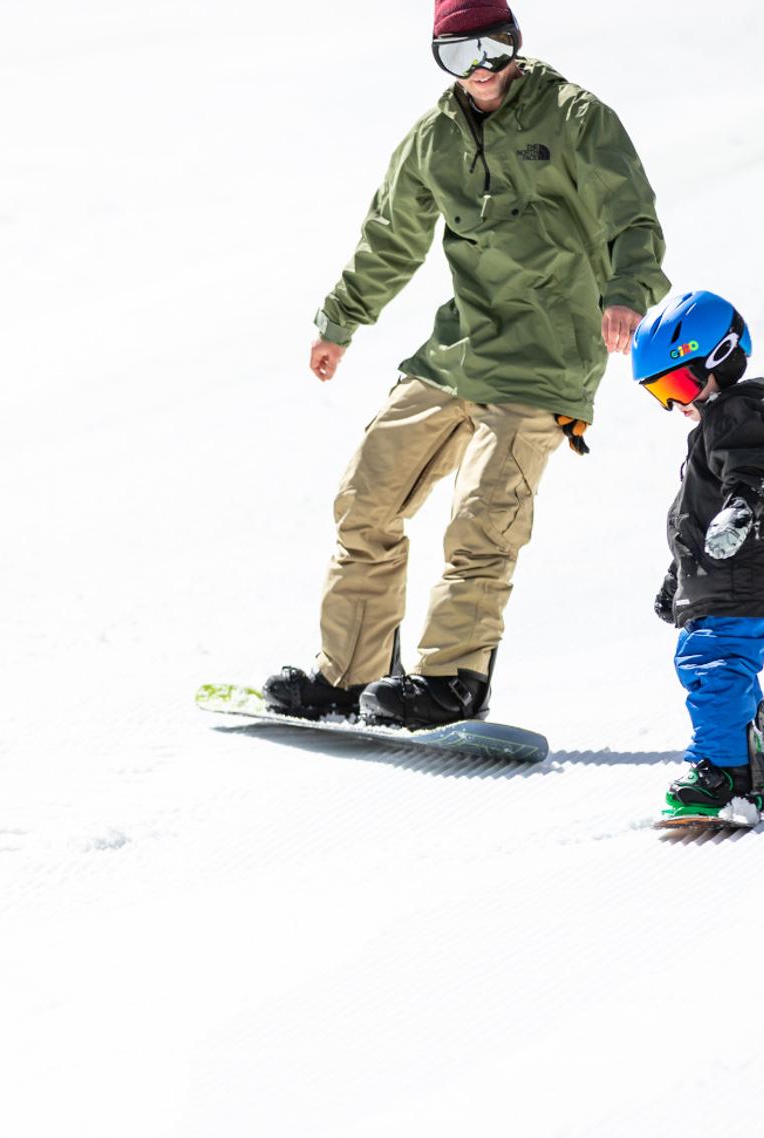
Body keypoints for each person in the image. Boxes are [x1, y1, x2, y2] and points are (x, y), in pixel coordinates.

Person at [261, 0, 669, 729]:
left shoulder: (576, 117)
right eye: (459, 55)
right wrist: (340, 321)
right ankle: (350, 675)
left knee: (483, 520)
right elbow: (392, 235)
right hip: (459, 350)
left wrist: (625, 292)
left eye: (494, 48)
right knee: (367, 498)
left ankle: (452, 679)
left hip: (545, 358)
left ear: (516, 42)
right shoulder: (435, 138)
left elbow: (630, 215)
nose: (481, 69)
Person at [632, 290, 764, 822]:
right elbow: (697, 520)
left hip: (748, 576)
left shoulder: (736, 415)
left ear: (723, 357)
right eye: (660, 393)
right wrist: (679, 576)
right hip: (741, 576)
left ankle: (726, 773)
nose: (677, 404)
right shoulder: (723, 423)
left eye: (680, 385)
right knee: (725, 662)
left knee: (710, 662)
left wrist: (740, 510)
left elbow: (754, 472)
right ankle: (760, 758)